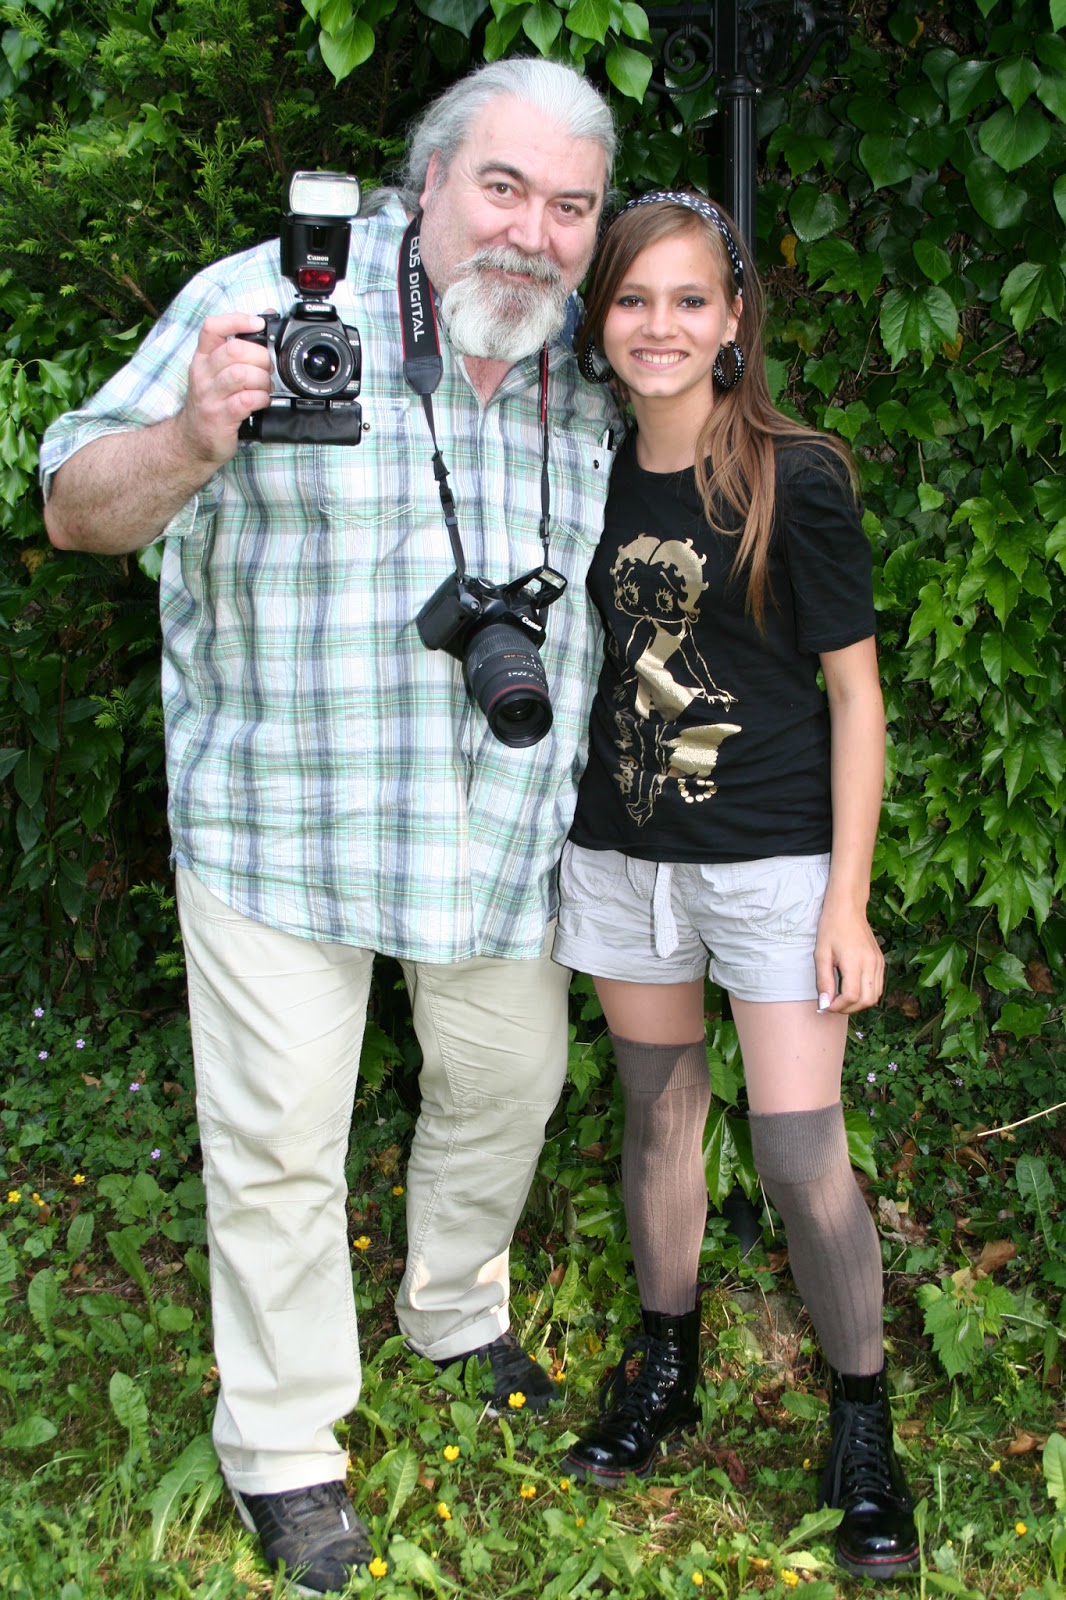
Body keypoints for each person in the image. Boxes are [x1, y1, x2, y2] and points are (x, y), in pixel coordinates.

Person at [41, 60, 617, 1595]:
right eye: (501, 189)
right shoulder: (256, 297)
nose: (532, 235)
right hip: (279, 818)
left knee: (508, 1089)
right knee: (278, 1148)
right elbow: (71, 503)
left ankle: (452, 1306)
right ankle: (288, 1448)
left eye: (569, 206)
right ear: (422, 183)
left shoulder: (600, 351)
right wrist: (188, 440)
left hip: (496, 833)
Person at [553, 190, 920, 1581]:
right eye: (632, 299)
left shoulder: (792, 474)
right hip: (623, 852)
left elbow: (855, 697)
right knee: (655, 1120)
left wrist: (846, 898)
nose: (658, 326)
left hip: (770, 866)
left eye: (688, 299)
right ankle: (665, 1369)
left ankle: (861, 1421)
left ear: (733, 320)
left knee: (792, 1151)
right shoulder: (581, 466)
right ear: (601, 320)